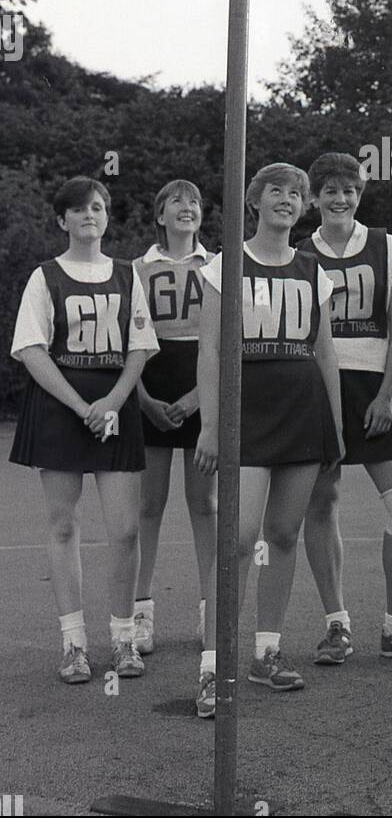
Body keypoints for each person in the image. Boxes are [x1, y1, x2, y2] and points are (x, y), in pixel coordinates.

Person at [276, 152, 392, 663]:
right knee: (321, 501)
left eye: (349, 190)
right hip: (315, 386)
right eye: (330, 190)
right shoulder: (298, 252)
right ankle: (337, 625)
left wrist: (386, 394)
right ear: (314, 197)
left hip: (375, 386)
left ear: (361, 194)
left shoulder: (385, 244)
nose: (340, 198)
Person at [192, 163, 343, 718]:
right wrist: (210, 423)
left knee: (283, 533)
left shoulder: (312, 268)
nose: (287, 199)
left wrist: (337, 423)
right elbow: (209, 350)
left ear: (304, 206)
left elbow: (325, 351)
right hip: (244, 413)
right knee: (237, 535)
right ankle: (212, 667)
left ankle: (267, 652)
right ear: (254, 201)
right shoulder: (225, 265)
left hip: (303, 410)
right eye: (276, 191)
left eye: (296, 193)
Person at [10, 176, 158, 682]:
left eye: (97, 207)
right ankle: (74, 644)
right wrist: (80, 405)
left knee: (125, 529)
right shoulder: (44, 276)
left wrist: (112, 403)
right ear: (62, 220)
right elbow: (31, 349)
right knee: (64, 525)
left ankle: (124, 638)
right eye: (78, 210)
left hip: (114, 406)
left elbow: (139, 347)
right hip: (60, 405)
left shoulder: (127, 274)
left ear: (106, 216)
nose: (89, 215)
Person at [132, 180, 216, 654]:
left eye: (195, 202)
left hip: (200, 390)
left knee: (204, 505)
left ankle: (212, 611)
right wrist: (142, 399)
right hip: (150, 387)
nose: (187, 207)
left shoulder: (219, 268)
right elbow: (129, 344)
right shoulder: (137, 270)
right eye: (176, 201)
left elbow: (229, 345)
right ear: (160, 215)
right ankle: (141, 613)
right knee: (148, 505)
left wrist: (199, 399)